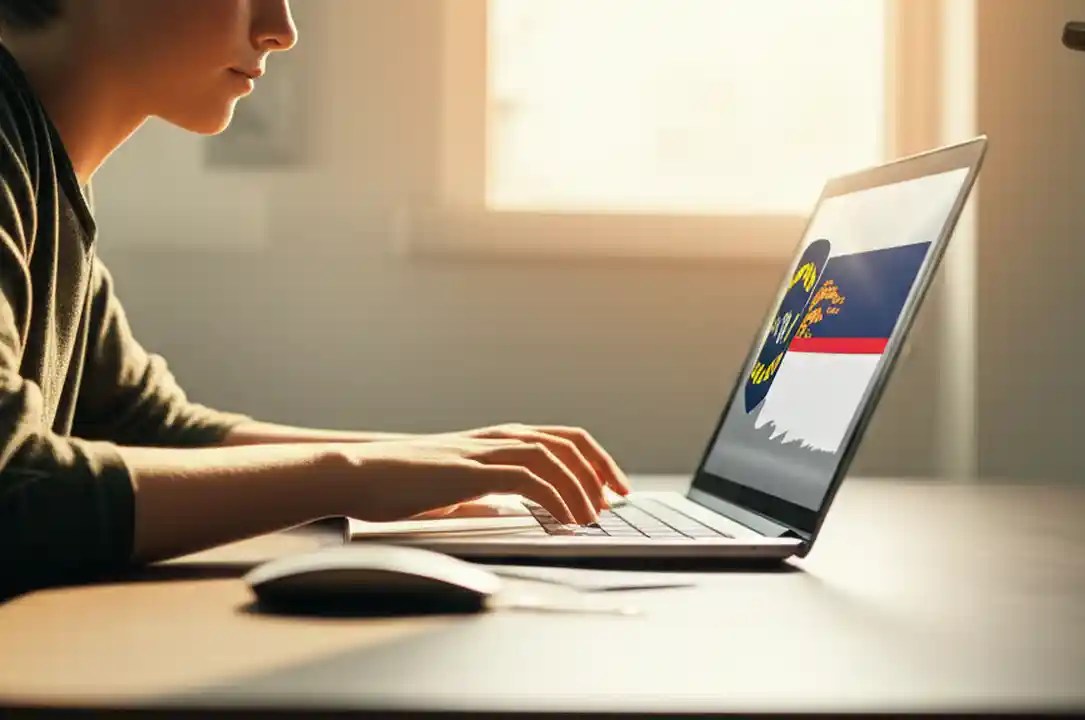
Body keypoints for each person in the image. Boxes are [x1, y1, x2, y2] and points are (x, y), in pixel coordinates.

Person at [0, 0, 628, 596]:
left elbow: (151, 429)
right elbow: (13, 491)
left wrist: (427, 459)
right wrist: (349, 478)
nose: (281, 29)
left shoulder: (42, 166)